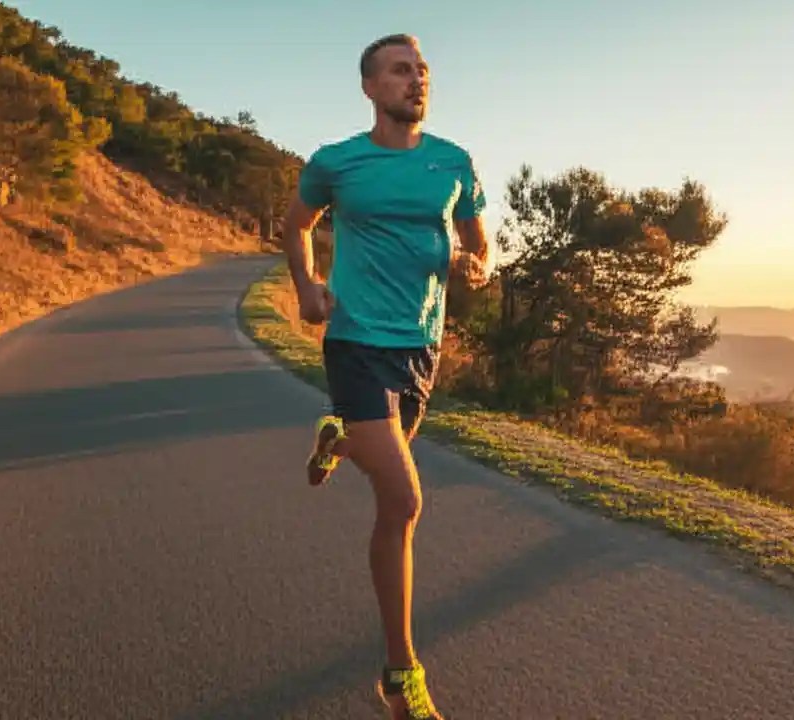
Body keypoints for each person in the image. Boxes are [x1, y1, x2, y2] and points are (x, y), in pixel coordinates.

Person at [280, 33, 489, 720]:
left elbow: (478, 242)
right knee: (401, 503)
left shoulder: (453, 163)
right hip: (356, 343)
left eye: (422, 69)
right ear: (370, 87)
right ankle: (401, 674)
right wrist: (309, 290)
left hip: (419, 348)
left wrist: (477, 266)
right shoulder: (338, 163)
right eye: (401, 70)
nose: (416, 78)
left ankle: (335, 439)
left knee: (381, 461)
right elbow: (296, 224)